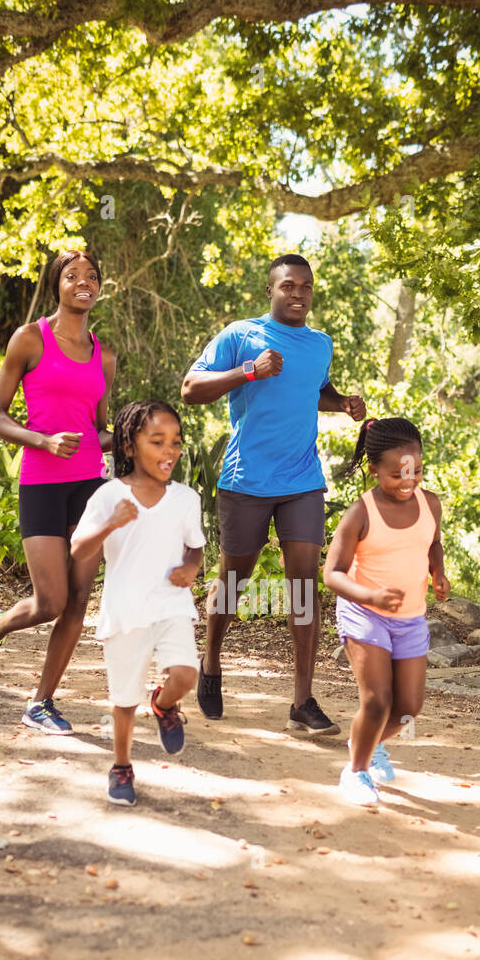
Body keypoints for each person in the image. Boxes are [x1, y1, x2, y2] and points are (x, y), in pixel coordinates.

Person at [181, 253, 365, 735]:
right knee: (234, 580)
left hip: (302, 480)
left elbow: (314, 391)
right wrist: (248, 372)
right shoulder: (241, 335)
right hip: (247, 480)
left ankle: (302, 700)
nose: (298, 293)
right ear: (271, 291)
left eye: (306, 286)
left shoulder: (320, 344)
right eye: (288, 286)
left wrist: (341, 403)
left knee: (303, 582)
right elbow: (190, 388)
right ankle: (212, 660)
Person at [0, 250, 116, 733]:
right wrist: (43, 439)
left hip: (90, 487)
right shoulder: (30, 339)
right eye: (73, 276)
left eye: (91, 277)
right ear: (58, 285)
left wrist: (138, 435)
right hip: (42, 483)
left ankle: (41, 703)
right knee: (49, 601)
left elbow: (99, 429)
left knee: (77, 602)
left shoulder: (104, 354)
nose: (83, 282)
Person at [70, 399, 205, 806]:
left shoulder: (185, 498)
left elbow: (195, 548)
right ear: (129, 446)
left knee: (186, 674)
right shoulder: (108, 495)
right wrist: (111, 523)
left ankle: (164, 706)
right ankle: (122, 765)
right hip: (126, 609)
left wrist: (192, 568)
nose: (170, 451)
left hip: (171, 603)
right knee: (124, 699)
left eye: (176, 443)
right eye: (158, 441)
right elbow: (78, 549)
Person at [322, 416, 451, 806]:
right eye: (396, 475)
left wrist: (439, 572)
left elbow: (432, 544)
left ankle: (365, 740)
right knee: (377, 700)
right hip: (365, 614)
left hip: (411, 618)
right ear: (374, 469)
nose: (408, 482)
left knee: (409, 710)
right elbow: (331, 574)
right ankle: (356, 772)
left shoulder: (429, 504)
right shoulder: (360, 514)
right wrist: (371, 597)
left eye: (416, 472)